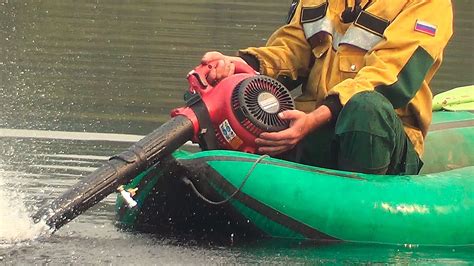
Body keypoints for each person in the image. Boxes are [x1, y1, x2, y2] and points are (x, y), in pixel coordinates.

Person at [201, 0, 453, 175]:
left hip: (379, 136)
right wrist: (243, 65)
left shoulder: (429, 4)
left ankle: (362, 205)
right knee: (237, 102)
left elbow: (390, 76)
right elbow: (291, 50)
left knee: (367, 107)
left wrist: (315, 118)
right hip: (310, 128)